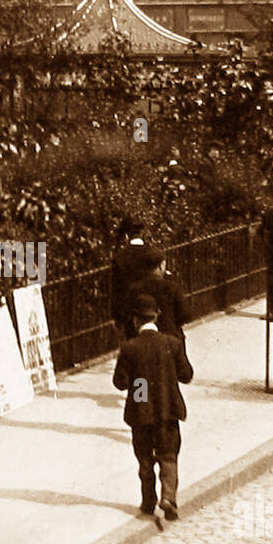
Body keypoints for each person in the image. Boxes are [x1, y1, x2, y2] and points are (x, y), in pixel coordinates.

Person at [112, 293, 193, 521]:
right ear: (156, 317)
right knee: (169, 455)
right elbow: (186, 375)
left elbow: (120, 382)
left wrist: (141, 384)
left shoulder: (130, 348)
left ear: (136, 320)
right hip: (168, 411)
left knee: (144, 458)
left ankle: (148, 501)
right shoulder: (172, 343)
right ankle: (168, 497)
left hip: (141, 412)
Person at [124, 248, 189, 344]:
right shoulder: (172, 287)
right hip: (170, 339)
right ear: (160, 266)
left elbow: (126, 316)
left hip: (141, 341)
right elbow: (185, 315)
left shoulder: (134, 289)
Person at [110, 219, 153, 341]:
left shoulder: (119, 258)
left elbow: (116, 289)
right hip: (150, 307)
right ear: (142, 233)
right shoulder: (152, 254)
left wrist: (116, 317)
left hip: (129, 311)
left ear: (126, 236)